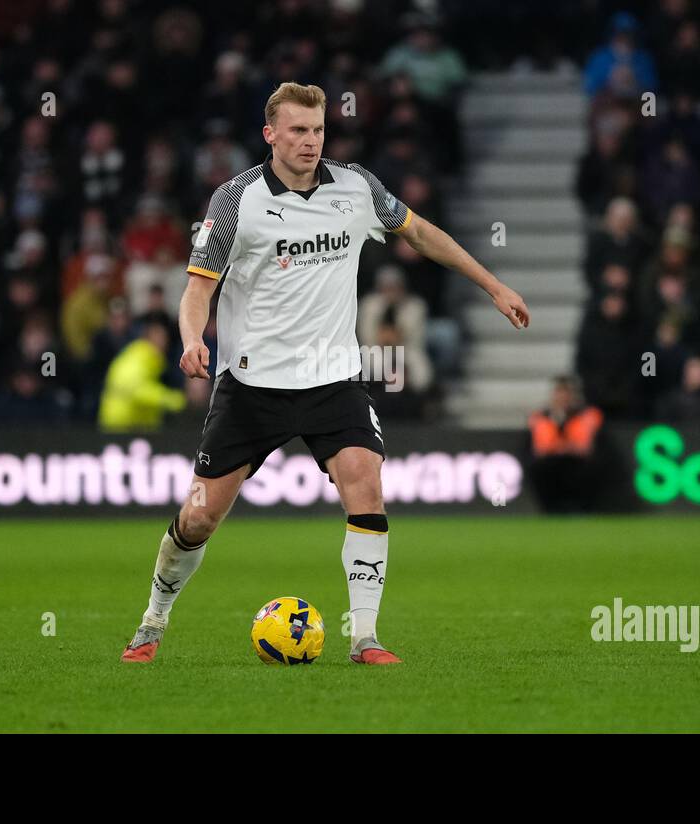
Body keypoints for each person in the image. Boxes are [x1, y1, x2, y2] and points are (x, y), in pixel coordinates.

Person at [122, 82, 530, 665]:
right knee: (201, 515)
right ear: (270, 135)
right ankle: (152, 620)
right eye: (297, 130)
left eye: (317, 130)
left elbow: (417, 231)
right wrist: (192, 339)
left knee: (365, 485)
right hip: (251, 385)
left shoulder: (356, 187)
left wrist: (492, 284)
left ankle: (364, 637)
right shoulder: (235, 201)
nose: (310, 141)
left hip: (332, 377)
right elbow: (198, 288)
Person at [527, 376, 604, 513]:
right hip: (551, 462)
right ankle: (551, 508)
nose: (563, 398)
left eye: (566, 393)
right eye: (559, 393)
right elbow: (539, 448)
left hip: (577, 462)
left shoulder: (587, 415)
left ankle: (581, 508)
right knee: (540, 468)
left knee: (589, 469)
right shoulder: (541, 417)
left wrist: (566, 447)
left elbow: (587, 446)